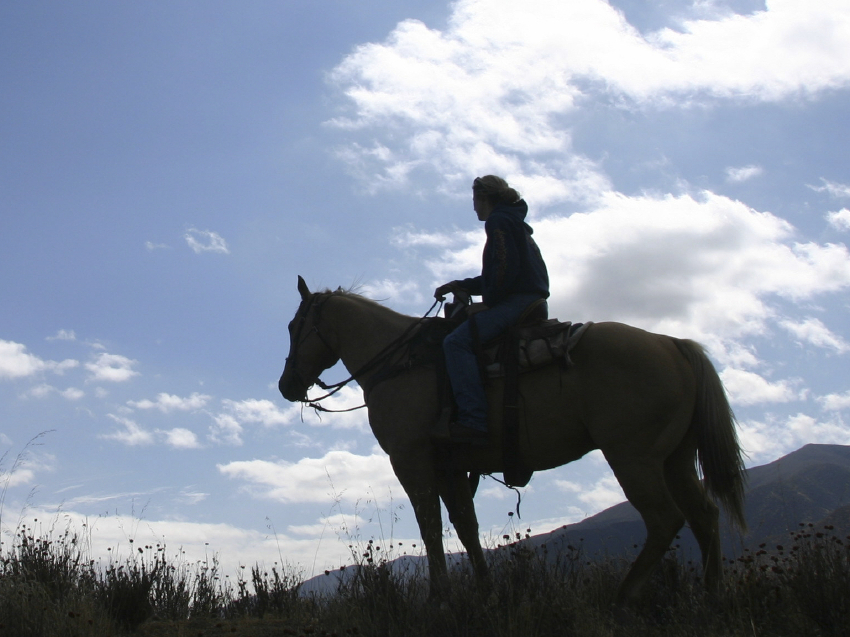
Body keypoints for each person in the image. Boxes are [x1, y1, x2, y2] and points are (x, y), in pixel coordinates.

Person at [434, 175, 549, 446]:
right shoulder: (514, 222)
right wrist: (460, 285)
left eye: (475, 201)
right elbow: (499, 271)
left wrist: (490, 303)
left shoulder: (498, 221)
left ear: (484, 198)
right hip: (529, 298)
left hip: (517, 301)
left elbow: (505, 269)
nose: (474, 208)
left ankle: (474, 421)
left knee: (455, 343)